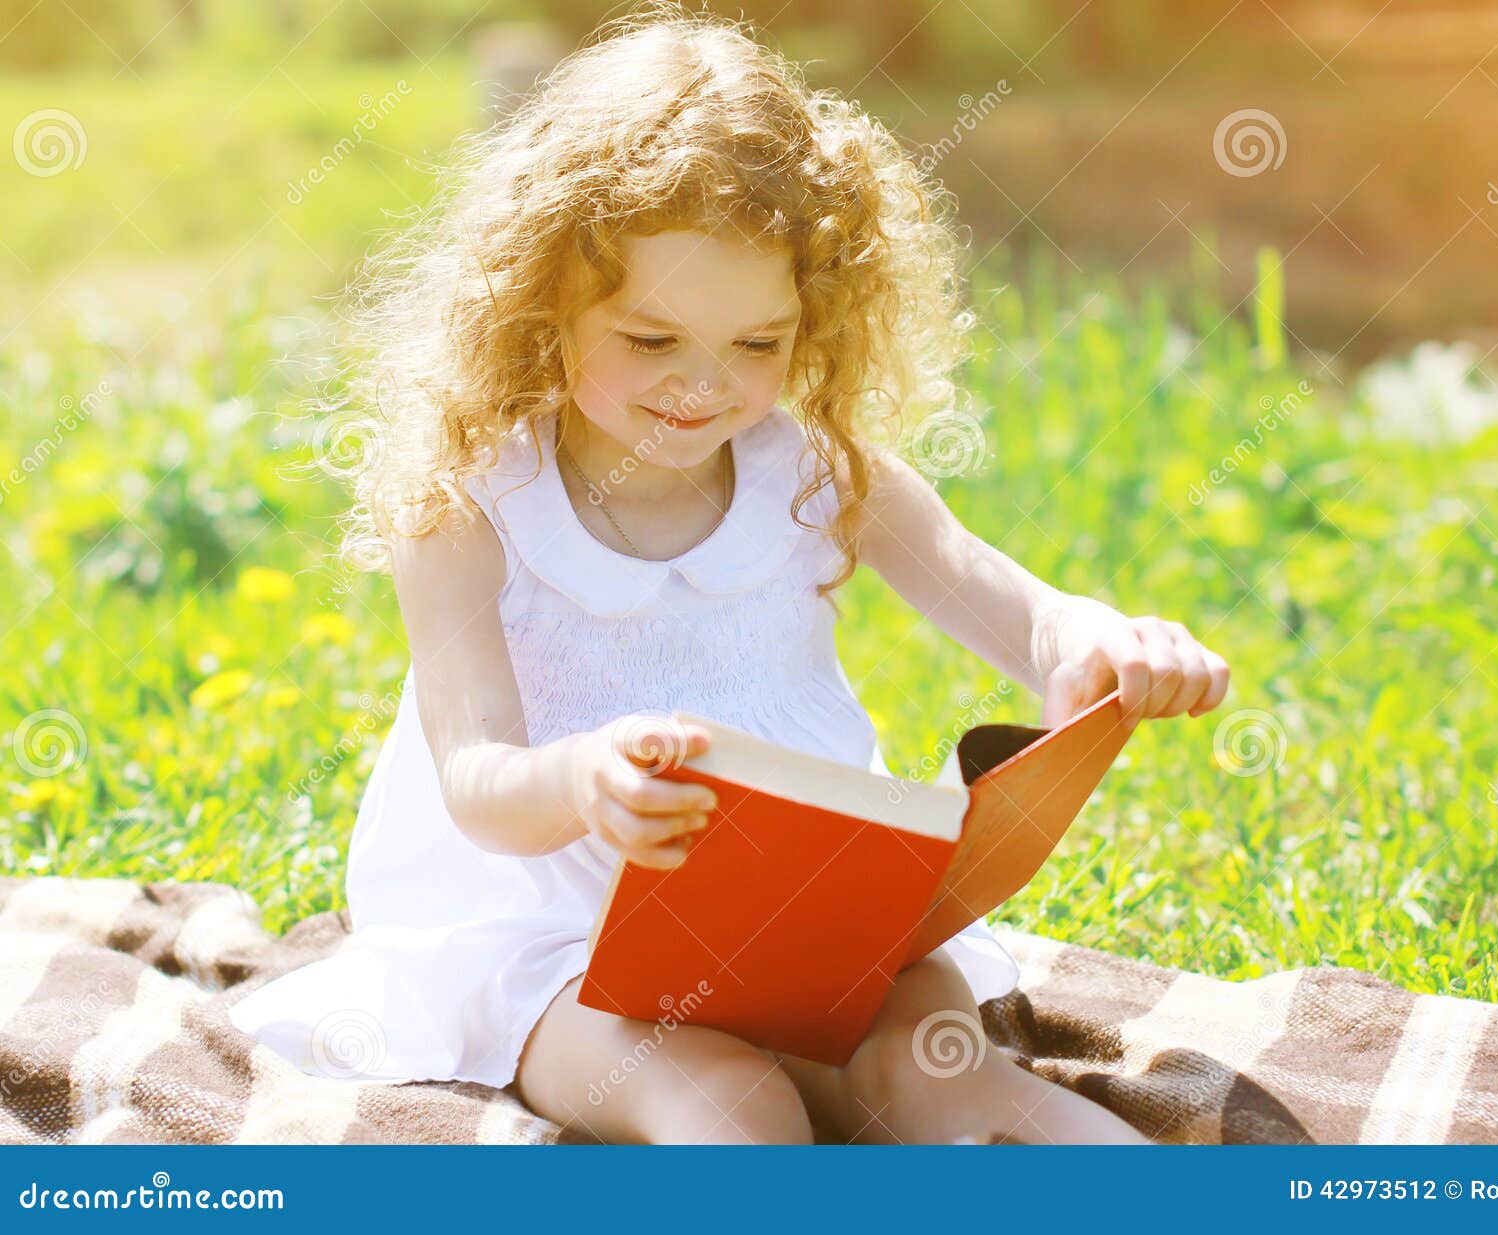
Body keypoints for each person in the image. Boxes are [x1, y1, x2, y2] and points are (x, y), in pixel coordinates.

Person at [229, 2, 1228, 1146]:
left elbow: (1021, 614)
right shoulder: (467, 503)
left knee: (950, 1077)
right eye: (651, 340)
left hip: (809, 922)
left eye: (757, 344)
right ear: (539, 299)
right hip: (558, 941)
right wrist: (583, 778)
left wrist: (1102, 642)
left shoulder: (819, 474)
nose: (702, 387)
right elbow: (475, 775)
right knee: (729, 1103)